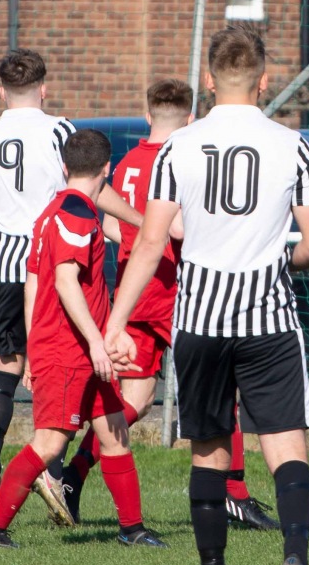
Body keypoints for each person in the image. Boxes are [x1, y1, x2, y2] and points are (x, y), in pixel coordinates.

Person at [106, 28, 309, 565]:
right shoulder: (293, 146)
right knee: (286, 449)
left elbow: (152, 241)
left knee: (209, 453)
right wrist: (277, 257)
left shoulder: (178, 148)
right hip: (269, 319)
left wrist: (116, 320)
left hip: (201, 319)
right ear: (264, 81)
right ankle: (295, 558)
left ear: (208, 81)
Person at [49, 78, 277, 532]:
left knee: (136, 397)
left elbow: (110, 217)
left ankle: (72, 475)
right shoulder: (184, 156)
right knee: (223, 385)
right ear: (190, 119)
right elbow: (175, 231)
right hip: (174, 287)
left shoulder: (128, 161)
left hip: (135, 288)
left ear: (147, 115)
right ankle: (234, 494)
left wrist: (132, 235)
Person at [0, 49, 138, 518]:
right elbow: (89, 192)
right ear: (44, 88)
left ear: (1, 92)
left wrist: (16, 233)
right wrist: (143, 225)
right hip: (54, 266)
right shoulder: (60, 131)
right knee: (63, 371)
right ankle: (52, 471)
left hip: (7, 268)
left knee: (6, 369)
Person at [0, 130, 165, 548]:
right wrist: (97, 342)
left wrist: (34, 346)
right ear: (107, 169)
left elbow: (33, 282)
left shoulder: (51, 212)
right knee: (48, 443)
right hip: (72, 349)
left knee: (114, 432)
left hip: (64, 345)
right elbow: (64, 281)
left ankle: (133, 530)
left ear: (64, 167)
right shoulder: (77, 214)